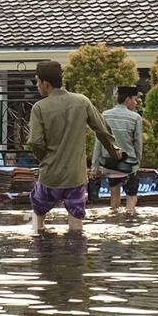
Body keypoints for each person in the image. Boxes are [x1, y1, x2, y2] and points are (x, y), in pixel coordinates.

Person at [26, 60, 124, 233]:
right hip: (75, 177)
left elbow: (35, 141)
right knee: (77, 226)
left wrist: (44, 159)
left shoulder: (39, 108)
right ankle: (76, 259)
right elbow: (101, 130)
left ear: (45, 83)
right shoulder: (82, 102)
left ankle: (41, 256)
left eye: (37, 81)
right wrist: (113, 151)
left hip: (50, 176)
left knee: (38, 222)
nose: (36, 86)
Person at [91, 85, 145, 213]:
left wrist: (95, 165)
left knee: (114, 197)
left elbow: (99, 142)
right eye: (134, 99)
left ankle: (114, 220)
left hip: (110, 165)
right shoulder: (135, 117)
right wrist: (137, 162)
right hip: (129, 165)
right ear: (127, 100)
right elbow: (138, 143)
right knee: (131, 198)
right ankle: (129, 222)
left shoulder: (105, 115)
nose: (136, 102)